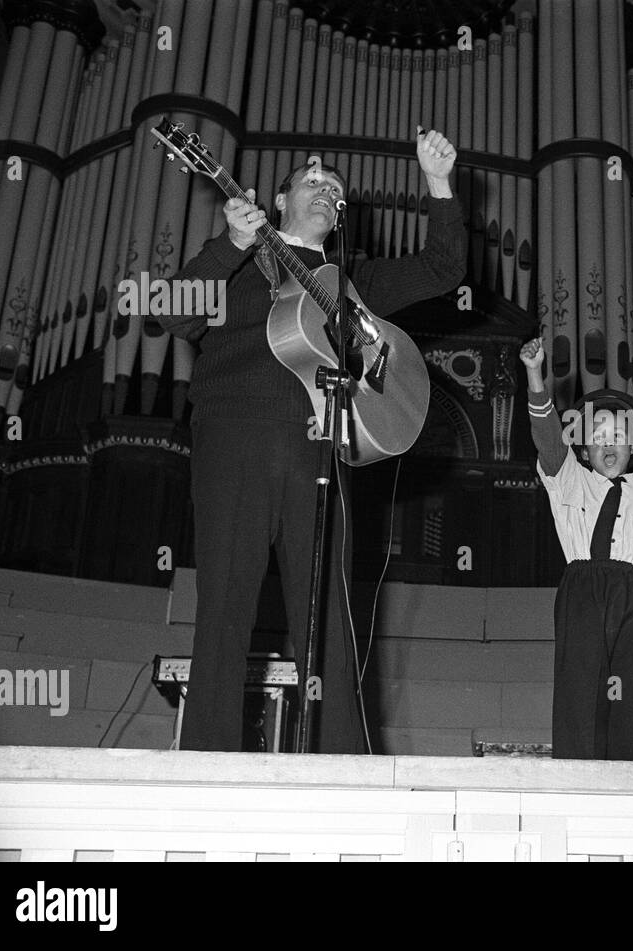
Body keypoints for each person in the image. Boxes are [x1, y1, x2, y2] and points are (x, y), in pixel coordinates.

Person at [159, 129, 467, 752]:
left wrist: (438, 183)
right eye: (314, 183)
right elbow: (173, 313)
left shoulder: (352, 285)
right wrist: (230, 245)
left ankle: (342, 765)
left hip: (318, 448)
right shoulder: (236, 258)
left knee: (328, 616)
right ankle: (208, 765)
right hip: (233, 438)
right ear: (277, 200)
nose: (328, 193)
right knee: (224, 606)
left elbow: (444, 269)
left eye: (337, 191)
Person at [520, 337, 633, 760]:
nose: (608, 443)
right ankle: (577, 782)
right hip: (585, 592)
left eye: (618, 435)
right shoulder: (569, 481)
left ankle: (628, 785)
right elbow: (546, 438)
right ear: (583, 450)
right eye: (597, 437)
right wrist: (534, 375)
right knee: (581, 696)